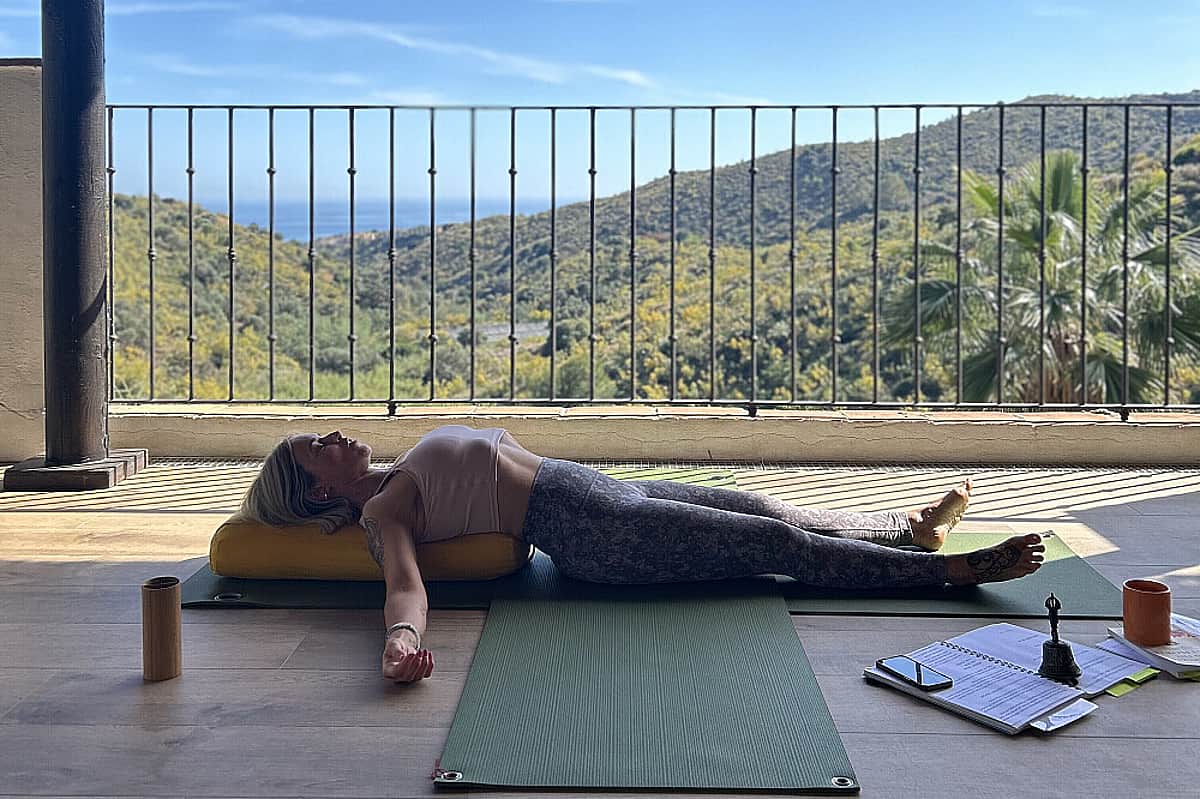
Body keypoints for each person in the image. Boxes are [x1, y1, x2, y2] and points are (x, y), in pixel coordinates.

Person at [241, 425, 1045, 684]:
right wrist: (401, 643)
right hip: (599, 535)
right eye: (317, 446)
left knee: (764, 507)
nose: (334, 433)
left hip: (597, 490)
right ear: (316, 491)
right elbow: (404, 587)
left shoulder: (393, 469)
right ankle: (944, 571)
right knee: (770, 545)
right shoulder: (384, 508)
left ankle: (908, 529)